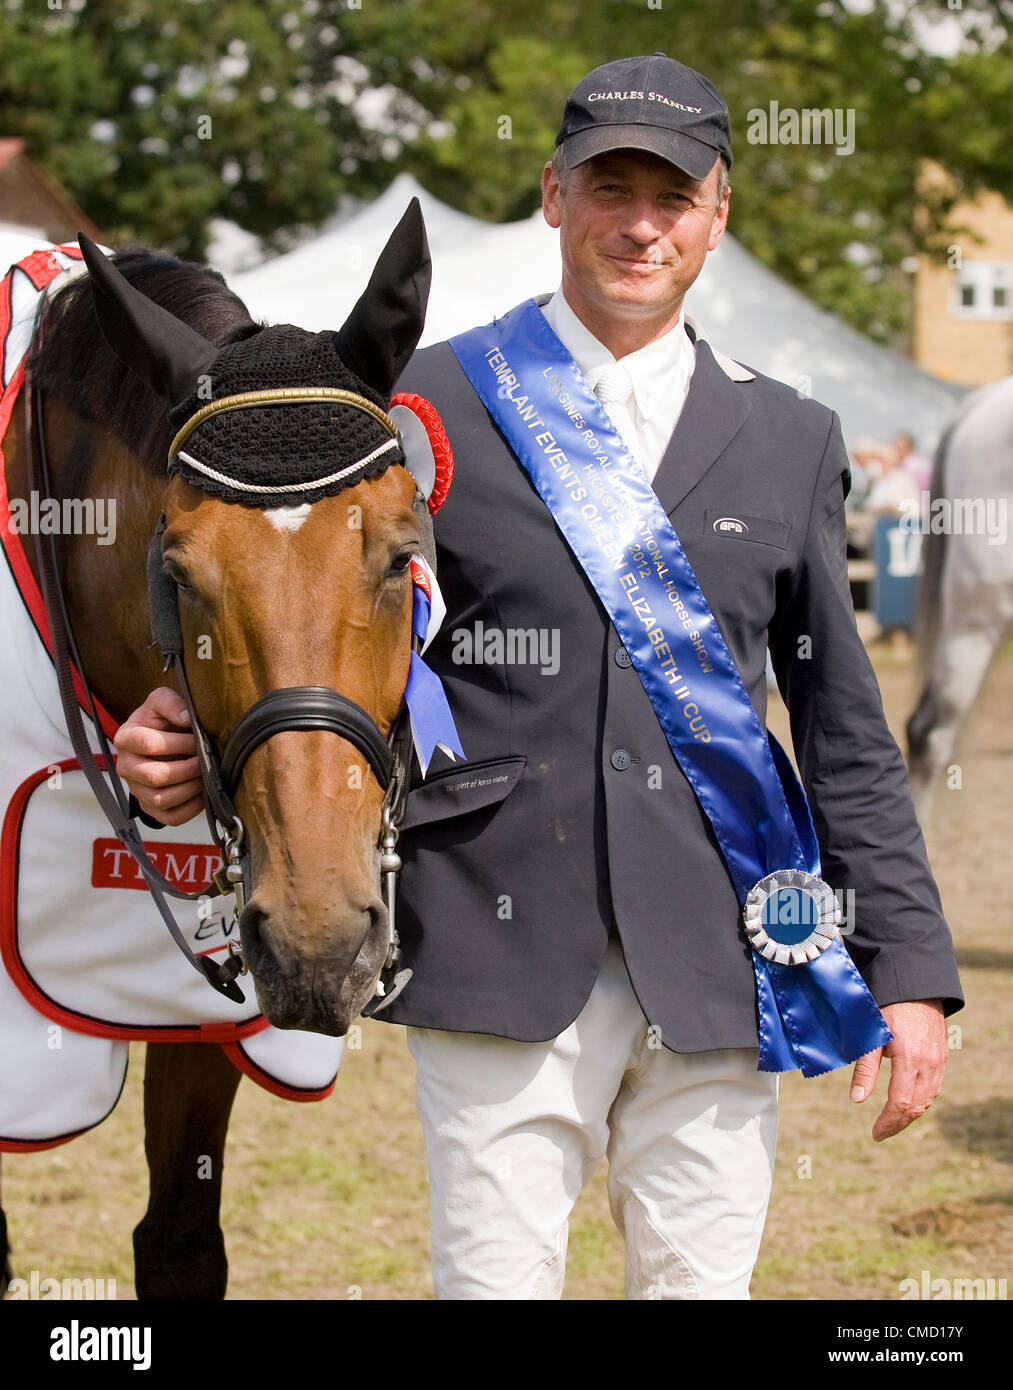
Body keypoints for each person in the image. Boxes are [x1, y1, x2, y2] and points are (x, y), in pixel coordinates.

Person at [115, 54, 962, 1300]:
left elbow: (840, 725)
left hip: (725, 952)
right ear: (552, 198)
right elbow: (290, 612)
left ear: (716, 216)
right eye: (606, 186)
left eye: (670, 197)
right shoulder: (410, 407)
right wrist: (185, 731)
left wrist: (910, 973)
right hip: (494, 940)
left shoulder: (791, 436)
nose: (638, 223)